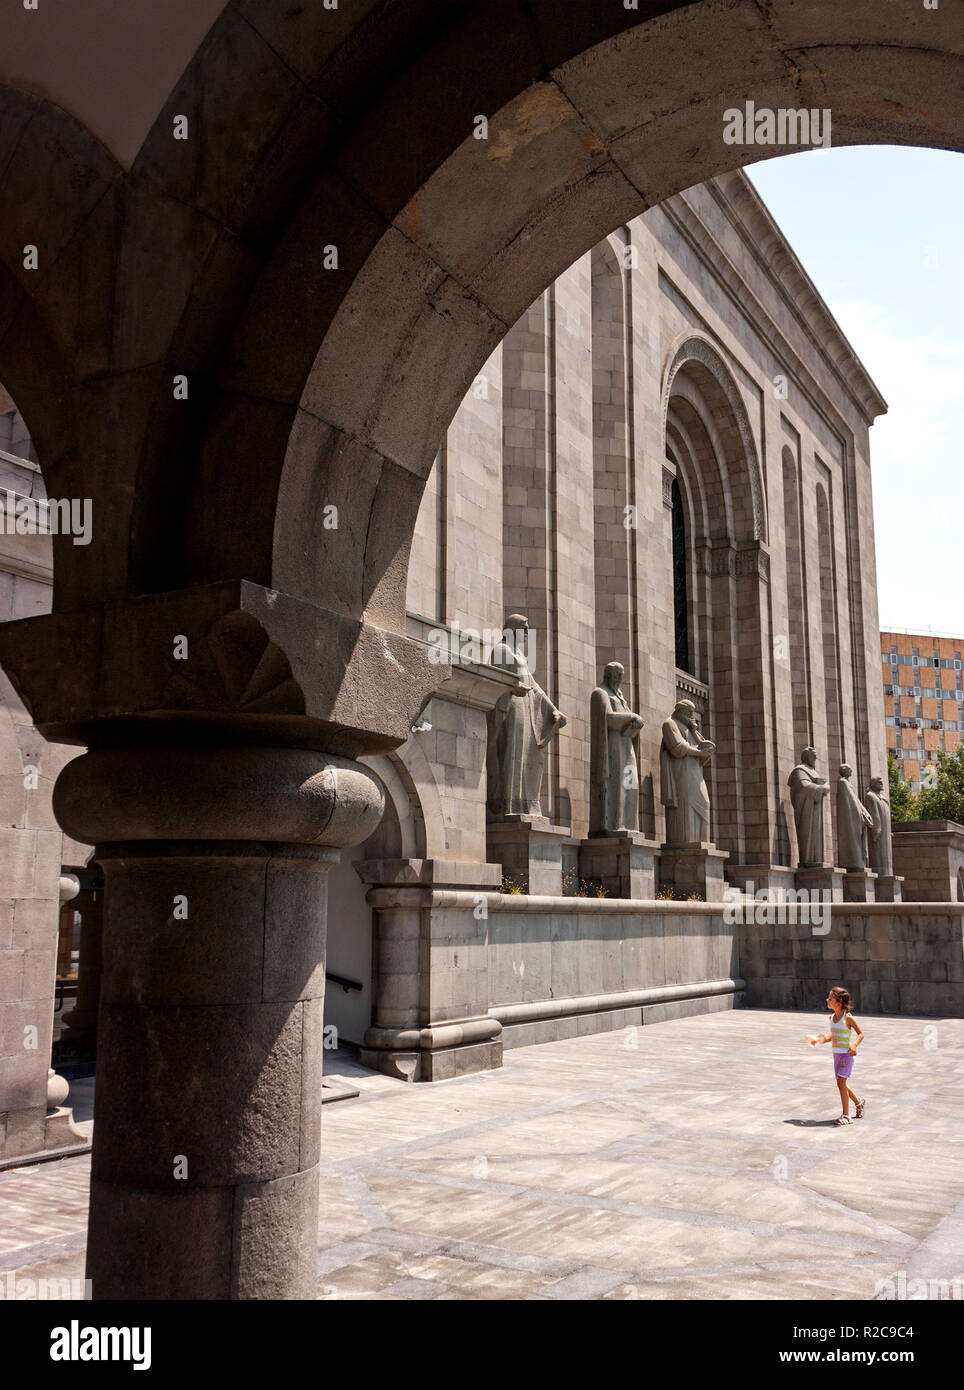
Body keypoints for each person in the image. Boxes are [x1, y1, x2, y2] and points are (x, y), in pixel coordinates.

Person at [589, 661, 644, 834]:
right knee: (618, 784)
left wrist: (636, 723)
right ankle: (616, 824)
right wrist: (632, 716)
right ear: (608, 674)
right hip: (613, 746)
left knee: (631, 783)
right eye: (618, 674)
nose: (621, 678)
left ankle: (629, 824)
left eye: (622, 675)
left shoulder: (620, 696)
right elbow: (608, 719)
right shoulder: (601, 693)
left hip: (627, 745)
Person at [807, 986, 865, 1125]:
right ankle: (859, 1102)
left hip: (846, 1055)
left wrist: (855, 1045)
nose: (827, 999)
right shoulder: (832, 1018)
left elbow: (861, 1034)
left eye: (830, 998)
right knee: (841, 1083)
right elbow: (833, 1036)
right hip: (837, 1056)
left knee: (841, 1082)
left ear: (839, 1003)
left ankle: (846, 1116)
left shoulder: (848, 1018)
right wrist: (819, 1040)